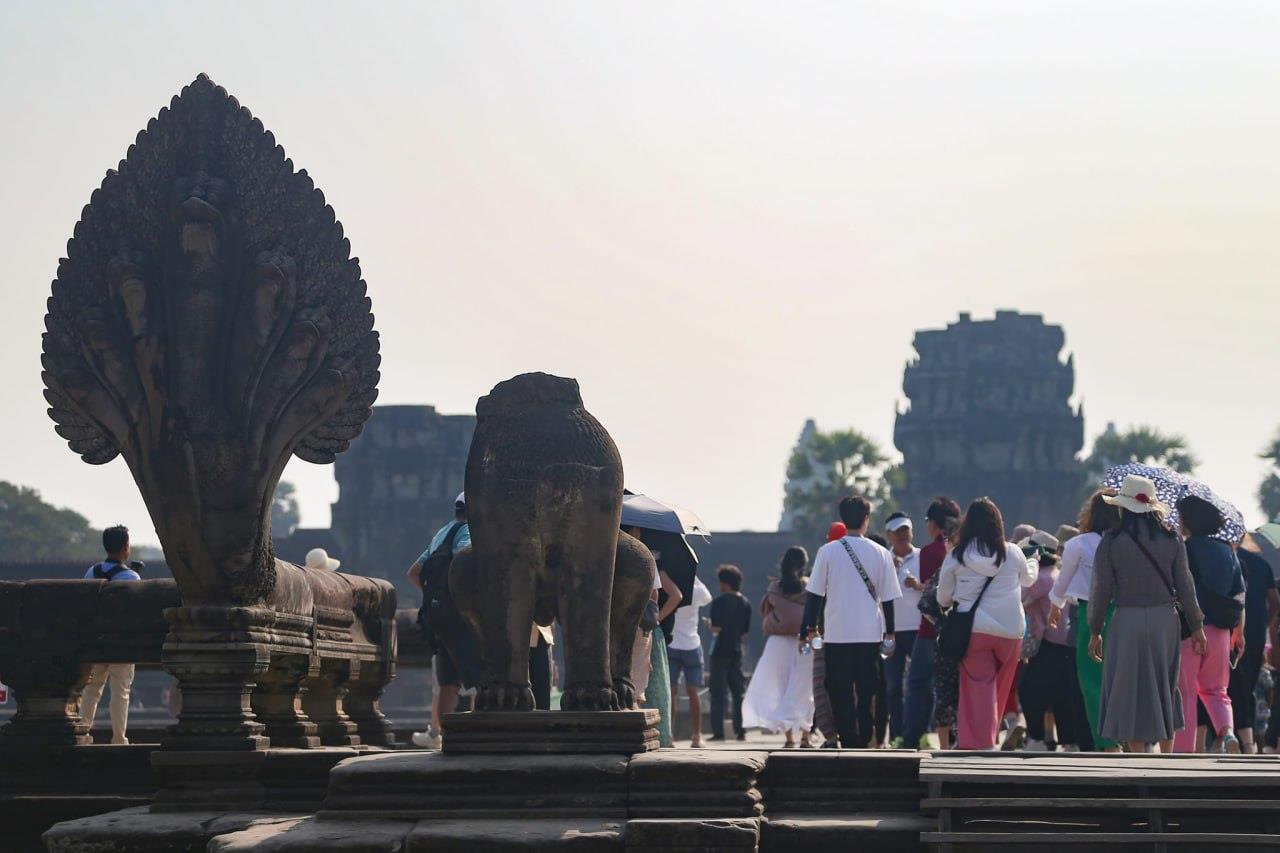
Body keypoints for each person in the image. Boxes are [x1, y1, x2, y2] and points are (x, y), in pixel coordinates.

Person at [1088, 475, 1206, 754]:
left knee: (1127, 688)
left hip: (1125, 620)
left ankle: (1139, 757)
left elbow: (1101, 590)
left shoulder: (1111, 541)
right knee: (1165, 686)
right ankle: (1166, 756)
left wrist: (1095, 630)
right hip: (1164, 621)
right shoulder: (1171, 539)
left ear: (1123, 507)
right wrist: (1197, 626)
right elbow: (1186, 586)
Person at [801, 495, 902, 748]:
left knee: (839, 688)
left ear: (843, 520)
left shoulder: (827, 552)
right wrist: (890, 632)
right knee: (868, 688)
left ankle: (847, 737)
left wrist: (809, 628)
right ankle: (865, 734)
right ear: (866, 519)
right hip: (870, 632)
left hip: (837, 633)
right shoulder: (880, 553)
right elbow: (889, 599)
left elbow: (814, 595)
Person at [937, 498, 1036, 750]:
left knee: (978, 687)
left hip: (975, 629)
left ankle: (979, 743)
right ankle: (991, 734)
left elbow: (943, 598)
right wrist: (1034, 561)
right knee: (999, 689)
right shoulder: (1012, 552)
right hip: (1011, 631)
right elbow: (1027, 581)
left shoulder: (957, 555)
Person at [1048, 489, 1122, 751]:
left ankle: (1107, 741)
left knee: (1091, 681)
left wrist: (1054, 607)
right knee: (1119, 680)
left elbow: (1062, 581)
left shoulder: (1077, 544)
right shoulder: (1124, 541)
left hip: (1089, 614)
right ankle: (1124, 736)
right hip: (1123, 615)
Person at [1174, 494, 1245, 753]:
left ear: (1190, 520)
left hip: (1190, 629)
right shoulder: (1227, 550)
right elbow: (1239, 593)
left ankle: (1184, 752)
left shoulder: (1184, 548)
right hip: (1222, 630)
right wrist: (1238, 630)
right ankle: (1227, 733)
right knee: (1216, 690)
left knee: (1186, 693)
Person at [408, 493, 475, 749]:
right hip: (461, 616)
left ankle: (445, 739)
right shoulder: (469, 531)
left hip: (437, 618)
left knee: (448, 683)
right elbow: (465, 557)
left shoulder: (441, 533)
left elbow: (414, 572)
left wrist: (435, 598)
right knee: (482, 679)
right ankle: (482, 735)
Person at [904, 497, 961, 751]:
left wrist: (916, 585)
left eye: (927, 521)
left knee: (919, 684)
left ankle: (912, 737)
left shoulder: (930, 552)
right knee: (956, 687)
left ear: (935, 524)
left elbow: (931, 589)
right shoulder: (963, 551)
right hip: (961, 629)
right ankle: (959, 738)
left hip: (930, 631)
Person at [743, 546, 814, 747]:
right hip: (804, 642)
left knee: (782, 688)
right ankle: (806, 737)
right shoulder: (809, 588)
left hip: (778, 643)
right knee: (804, 689)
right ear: (803, 566)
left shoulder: (774, 588)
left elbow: (764, 611)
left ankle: (789, 738)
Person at [1018, 532, 1081, 751]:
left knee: (1028, 691)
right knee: (1061, 694)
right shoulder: (1056, 574)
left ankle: (1036, 738)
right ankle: (1070, 741)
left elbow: (1021, 600)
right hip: (1063, 642)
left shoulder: (1040, 578)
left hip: (1047, 643)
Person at [79, 525, 141, 745]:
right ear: (125, 548)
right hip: (121, 643)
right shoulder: (131, 576)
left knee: (91, 690)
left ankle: (83, 735)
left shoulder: (91, 572)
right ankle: (118, 738)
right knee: (120, 692)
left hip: (96, 641)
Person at [1231, 537, 1280, 753]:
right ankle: (1246, 740)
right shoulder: (1261, 564)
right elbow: (1275, 601)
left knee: (1225, 687)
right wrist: (1265, 623)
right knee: (1249, 687)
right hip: (1254, 635)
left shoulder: (1227, 558)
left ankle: (1230, 735)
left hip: (1227, 631)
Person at [883, 513, 920, 747]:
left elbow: (936, 587)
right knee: (893, 686)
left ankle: (916, 732)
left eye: (905, 530)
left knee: (919, 684)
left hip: (917, 629)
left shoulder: (922, 556)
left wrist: (916, 585)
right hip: (891, 631)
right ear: (889, 535)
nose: (902, 535)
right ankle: (897, 734)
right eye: (897, 531)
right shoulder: (882, 559)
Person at [811, 522, 847, 748]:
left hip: (826, 636)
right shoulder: (860, 560)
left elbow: (815, 599)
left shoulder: (825, 559)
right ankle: (853, 736)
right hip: (854, 637)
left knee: (821, 687)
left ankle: (832, 736)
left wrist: (810, 629)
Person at [668, 574, 713, 747]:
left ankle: (670, 735)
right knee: (693, 692)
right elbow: (708, 596)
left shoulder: (670, 587)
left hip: (672, 643)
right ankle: (696, 736)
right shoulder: (696, 591)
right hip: (692, 644)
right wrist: (693, 575)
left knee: (671, 692)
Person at [708, 565, 752, 741]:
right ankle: (740, 730)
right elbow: (745, 633)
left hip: (719, 652)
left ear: (724, 583)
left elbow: (715, 628)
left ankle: (718, 733)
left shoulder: (718, 602)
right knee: (738, 694)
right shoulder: (745, 603)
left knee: (718, 694)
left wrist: (708, 626)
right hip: (736, 652)